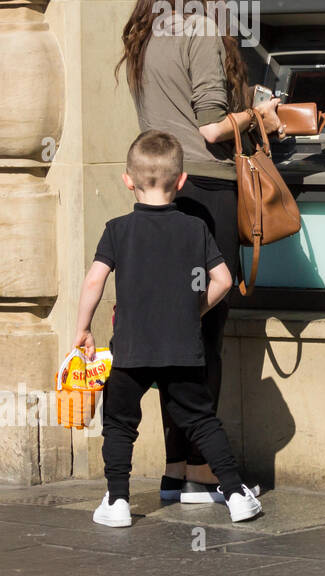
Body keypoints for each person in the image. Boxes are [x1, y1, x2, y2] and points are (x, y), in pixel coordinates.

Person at [117, 0, 279, 505]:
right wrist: (261, 112)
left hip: (159, 192)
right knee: (204, 334)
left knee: (173, 332)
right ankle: (205, 473)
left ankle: (175, 469)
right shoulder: (204, 28)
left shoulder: (145, 33)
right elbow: (211, 128)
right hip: (207, 189)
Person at [76, 131, 262, 527]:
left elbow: (94, 281)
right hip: (182, 349)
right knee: (201, 419)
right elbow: (224, 280)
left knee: (120, 424)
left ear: (128, 180)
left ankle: (118, 501)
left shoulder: (117, 229)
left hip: (131, 350)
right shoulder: (195, 228)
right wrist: (194, 311)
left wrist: (84, 328)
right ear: (181, 181)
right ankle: (235, 493)